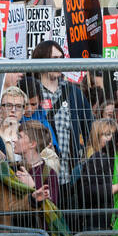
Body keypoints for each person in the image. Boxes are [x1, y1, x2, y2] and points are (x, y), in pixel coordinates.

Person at [30, 40, 93, 183]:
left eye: (61, 58)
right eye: (54, 59)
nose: (59, 62)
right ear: (41, 61)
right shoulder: (30, 91)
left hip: (68, 174)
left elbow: (90, 127)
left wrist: (84, 157)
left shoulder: (73, 92)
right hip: (38, 174)